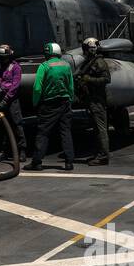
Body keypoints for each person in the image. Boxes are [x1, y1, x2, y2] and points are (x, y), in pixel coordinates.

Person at [26, 42, 75, 171]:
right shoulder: (66, 65)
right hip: (65, 102)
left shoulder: (44, 66)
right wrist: (70, 99)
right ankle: (69, 162)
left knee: (43, 133)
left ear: (47, 54)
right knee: (65, 132)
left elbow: (37, 88)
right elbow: (71, 86)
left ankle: (37, 162)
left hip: (49, 104)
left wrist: (35, 103)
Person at [0, 44, 28, 161]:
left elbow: (15, 86)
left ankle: (22, 150)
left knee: (17, 124)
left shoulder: (15, 67)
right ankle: (3, 151)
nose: (3, 59)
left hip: (11, 100)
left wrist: (6, 100)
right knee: (1, 127)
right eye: (1, 57)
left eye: (5, 57)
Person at [78, 37, 111, 166]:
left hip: (97, 100)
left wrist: (88, 79)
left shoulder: (99, 62)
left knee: (101, 129)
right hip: (92, 99)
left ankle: (103, 156)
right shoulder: (90, 62)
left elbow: (106, 79)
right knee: (97, 129)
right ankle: (99, 154)